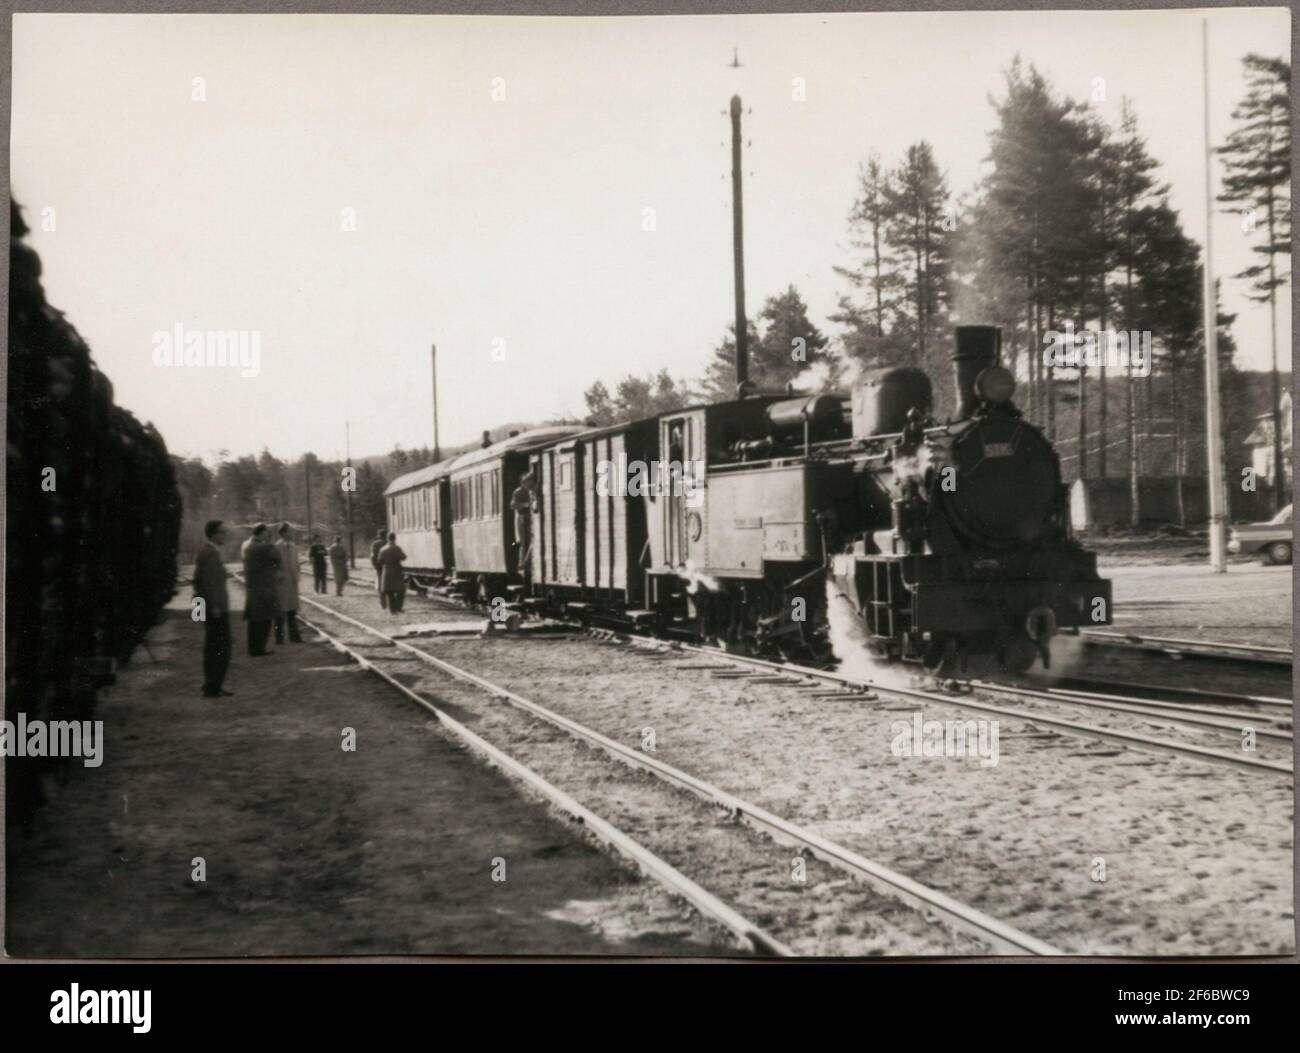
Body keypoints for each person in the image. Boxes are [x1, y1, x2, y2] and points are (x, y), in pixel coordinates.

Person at [193, 519, 233, 698]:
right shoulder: (211, 554)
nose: (225, 535)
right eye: (222, 532)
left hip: (205, 605)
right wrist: (215, 606)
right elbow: (209, 584)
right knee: (221, 647)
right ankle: (213, 686)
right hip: (215, 607)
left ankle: (211, 684)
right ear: (214, 534)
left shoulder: (205, 551)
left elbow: (198, 581)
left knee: (211, 646)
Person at [242, 523, 281, 656]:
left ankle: (253, 649)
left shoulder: (246, 545)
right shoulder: (263, 547)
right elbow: (277, 557)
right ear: (262, 533)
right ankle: (259, 649)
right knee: (265, 620)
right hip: (264, 588)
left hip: (253, 588)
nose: (268, 535)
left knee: (254, 622)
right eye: (267, 532)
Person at [274, 522, 303, 644]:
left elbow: (296, 562)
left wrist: (297, 575)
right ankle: (279, 638)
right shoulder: (276, 547)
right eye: (289, 531)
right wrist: (279, 576)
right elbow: (273, 566)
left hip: (292, 582)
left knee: (292, 610)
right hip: (282, 583)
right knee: (280, 611)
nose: (291, 533)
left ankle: (294, 637)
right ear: (283, 533)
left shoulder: (293, 546)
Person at [376, 532, 407, 614]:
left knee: (390, 592)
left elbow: (379, 560)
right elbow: (404, 557)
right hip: (396, 571)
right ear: (394, 538)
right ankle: (397, 607)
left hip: (387, 571)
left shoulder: (383, 549)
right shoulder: (397, 548)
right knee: (401, 590)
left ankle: (392, 610)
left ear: (387, 539)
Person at [511, 472, 537, 568]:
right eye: (526, 482)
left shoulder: (531, 490)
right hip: (521, 518)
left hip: (530, 518)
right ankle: (522, 562)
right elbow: (513, 505)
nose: (527, 485)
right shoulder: (518, 492)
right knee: (523, 541)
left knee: (531, 539)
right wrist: (526, 505)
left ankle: (525, 561)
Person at [369, 527, 388, 610]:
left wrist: (375, 565)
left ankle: (383, 603)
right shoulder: (388, 543)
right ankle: (392, 603)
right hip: (389, 566)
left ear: (379, 536)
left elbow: (373, 556)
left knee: (381, 584)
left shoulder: (375, 544)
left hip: (380, 566)